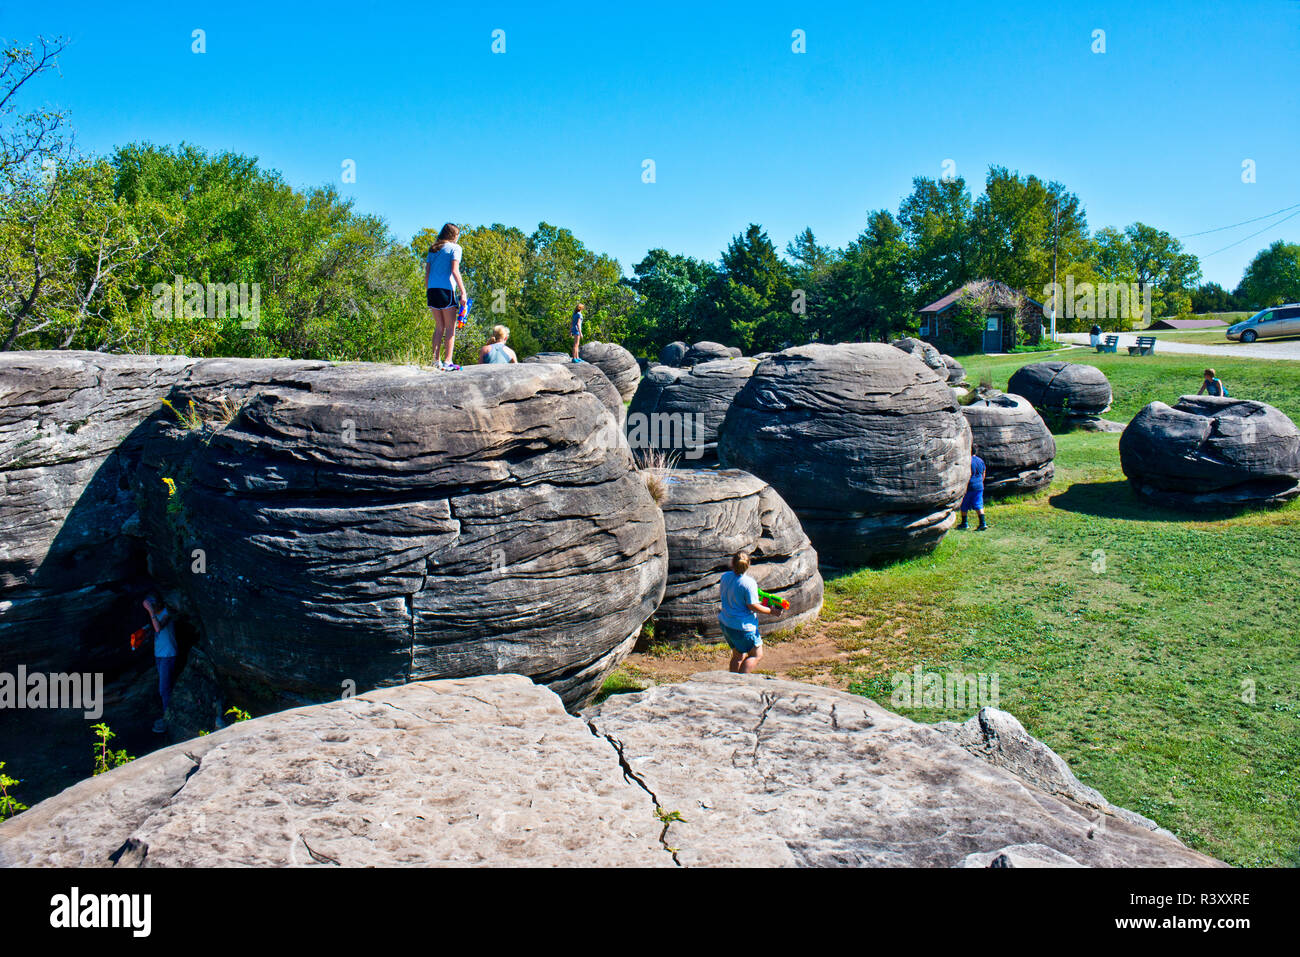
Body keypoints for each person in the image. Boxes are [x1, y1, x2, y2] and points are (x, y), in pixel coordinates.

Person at [718, 551, 779, 674]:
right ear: (749, 564)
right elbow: (752, 606)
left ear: (732, 563)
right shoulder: (749, 583)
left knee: (737, 656)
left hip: (726, 623)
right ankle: (742, 683)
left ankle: (732, 682)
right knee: (756, 655)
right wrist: (771, 611)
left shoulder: (725, 577)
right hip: (743, 627)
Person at [425, 223, 469, 371]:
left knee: (439, 327)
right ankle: (447, 361)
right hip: (446, 290)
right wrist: (463, 292)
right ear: (453, 235)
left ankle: (435, 361)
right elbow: (455, 271)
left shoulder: (433, 249)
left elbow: (427, 272)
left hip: (432, 290)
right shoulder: (455, 248)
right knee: (450, 328)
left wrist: (428, 290)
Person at [142, 593, 178, 733]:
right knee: (165, 687)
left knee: (164, 688)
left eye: (152, 604)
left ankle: (167, 718)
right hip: (160, 654)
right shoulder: (155, 616)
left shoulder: (166, 612)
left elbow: (158, 628)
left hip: (168, 654)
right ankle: (168, 713)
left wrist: (150, 611)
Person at [957, 451, 988, 531]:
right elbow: (983, 473)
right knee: (978, 504)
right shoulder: (980, 460)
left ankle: (964, 523)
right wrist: (980, 481)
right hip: (979, 486)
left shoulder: (967, 461)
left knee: (964, 504)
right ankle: (982, 523)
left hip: (969, 486)